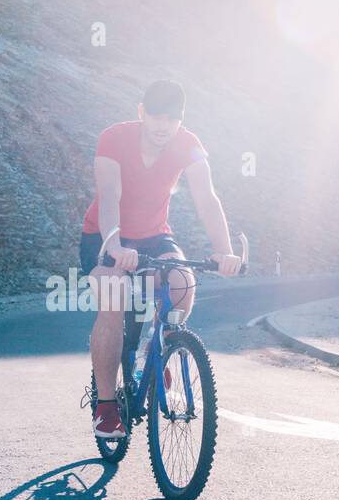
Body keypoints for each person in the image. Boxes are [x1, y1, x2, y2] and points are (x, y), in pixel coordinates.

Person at [79, 80, 242, 439]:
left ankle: (160, 346)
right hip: (105, 234)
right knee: (114, 293)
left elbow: (207, 198)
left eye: (171, 119)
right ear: (141, 113)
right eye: (155, 116)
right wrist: (115, 245)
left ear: (180, 122)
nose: (162, 125)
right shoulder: (113, 138)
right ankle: (106, 406)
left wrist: (225, 250)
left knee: (182, 282)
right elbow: (109, 194)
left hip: (154, 234)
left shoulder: (189, 145)